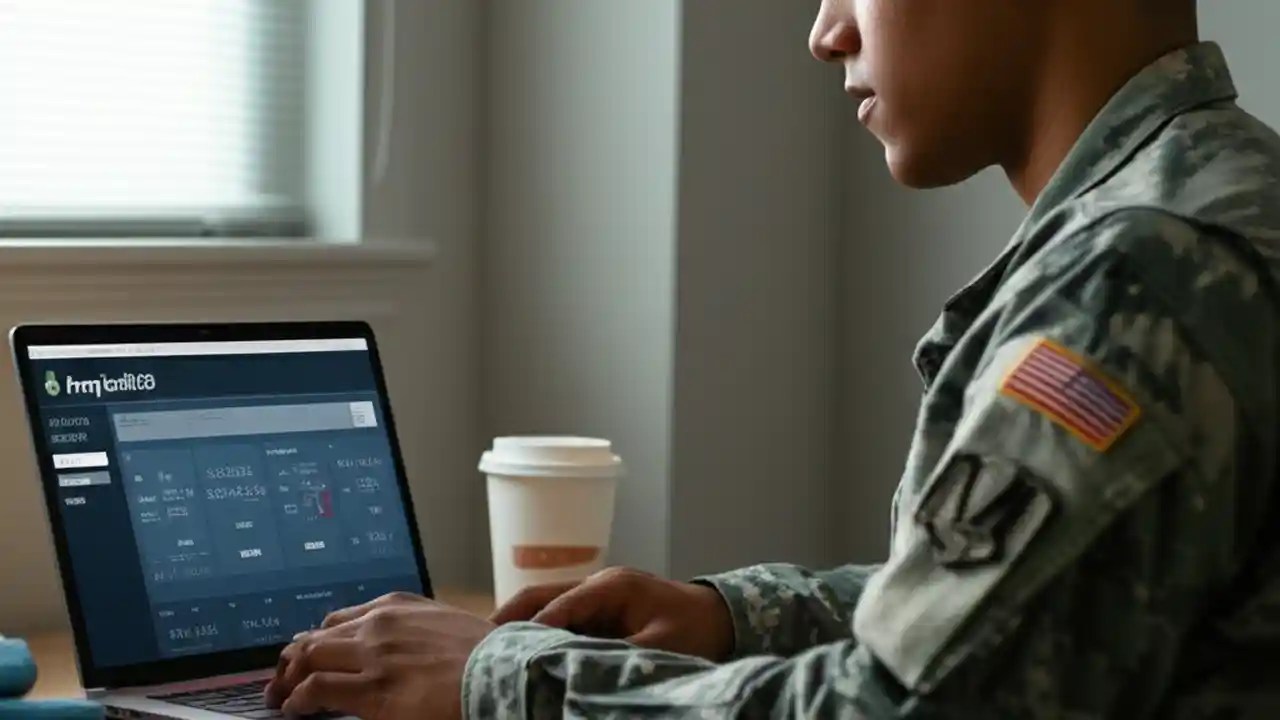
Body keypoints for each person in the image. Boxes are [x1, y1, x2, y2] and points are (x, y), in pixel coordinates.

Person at [266, 0, 1280, 717]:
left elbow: (908, 710)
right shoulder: (1217, 201)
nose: (824, 31)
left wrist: (500, 676)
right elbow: (1057, 619)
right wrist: (733, 617)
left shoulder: (1139, 273)